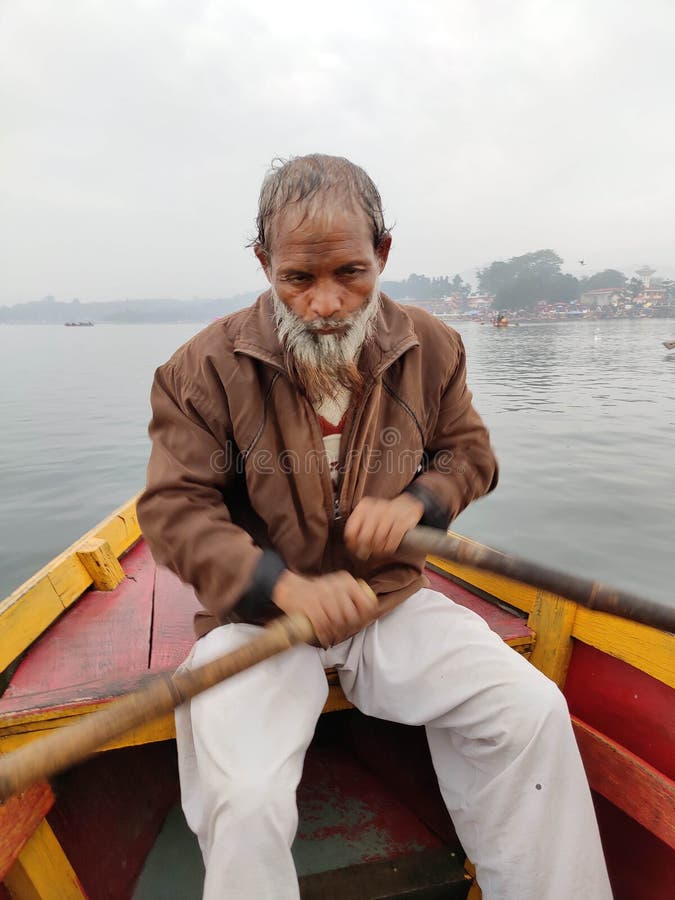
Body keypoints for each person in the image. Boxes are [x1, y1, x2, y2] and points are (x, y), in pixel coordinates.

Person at [137, 154, 612, 900]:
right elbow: (173, 511)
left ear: (383, 254)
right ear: (263, 264)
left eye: (350, 274)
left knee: (530, 713)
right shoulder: (199, 368)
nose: (325, 303)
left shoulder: (431, 345)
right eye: (297, 279)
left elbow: (468, 455)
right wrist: (281, 586)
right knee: (245, 797)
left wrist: (419, 505)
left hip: (389, 601)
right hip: (255, 620)